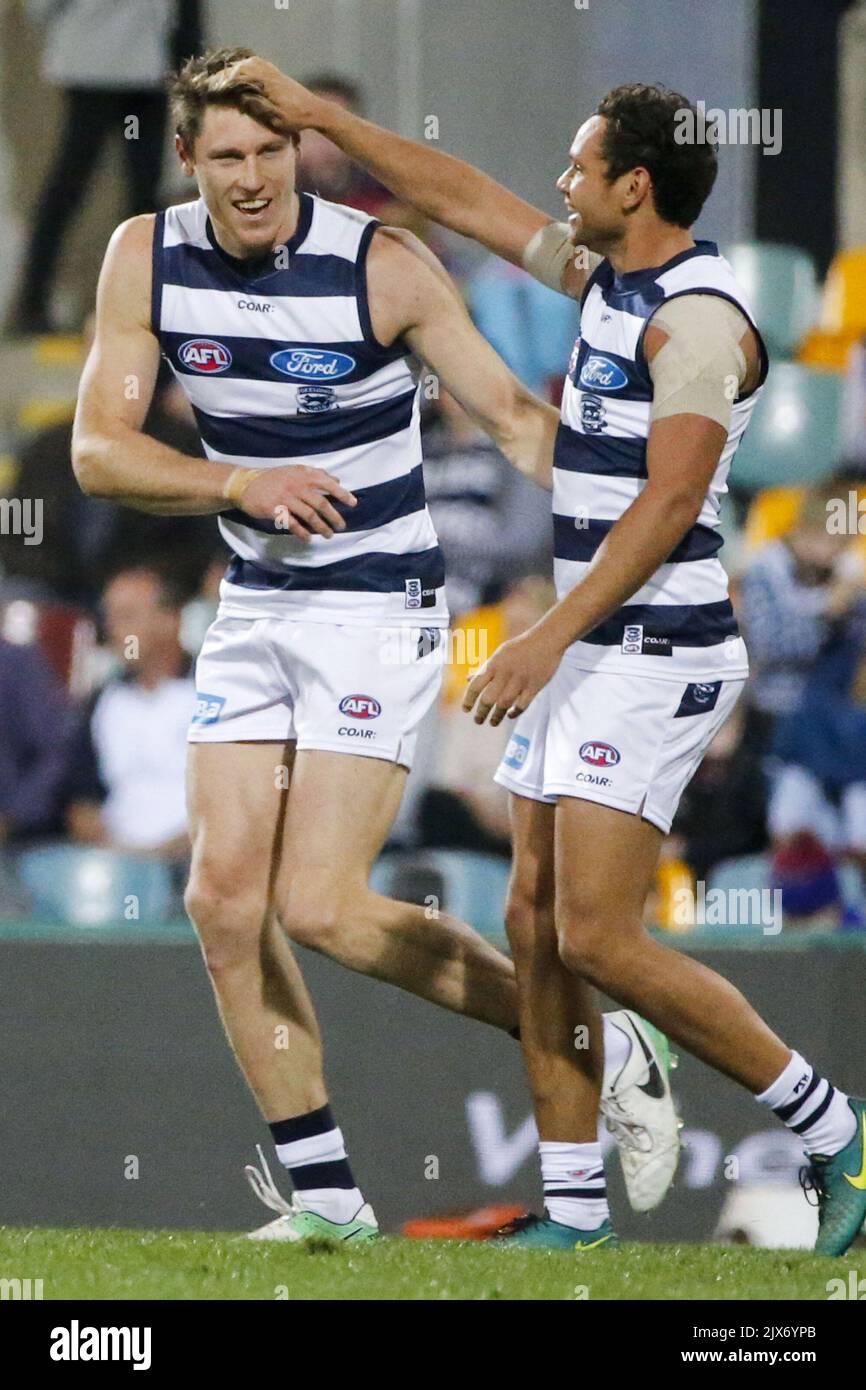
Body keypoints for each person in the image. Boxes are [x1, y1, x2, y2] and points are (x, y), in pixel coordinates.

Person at [71, 48, 678, 1244]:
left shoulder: (381, 267)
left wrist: (657, 517)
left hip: (377, 606)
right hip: (255, 603)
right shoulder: (142, 255)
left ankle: (593, 1039)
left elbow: (510, 420)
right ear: (187, 159)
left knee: (323, 908)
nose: (253, 178)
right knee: (219, 899)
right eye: (227, 156)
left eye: (272, 151)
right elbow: (98, 450)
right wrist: (238, 481)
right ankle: (332, 1206)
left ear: (299, 151)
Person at [256, 66, 866, 1255]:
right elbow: (468, 197)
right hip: (600, 646)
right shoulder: (605, 276)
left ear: (632, 187)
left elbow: (673, 499)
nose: (558, 183)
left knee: (594, 935)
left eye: (579, 167)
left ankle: (836, 1130)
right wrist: (331, 125)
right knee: (532, 921)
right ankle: (574, 1213)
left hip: (652, 646)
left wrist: (547, 634)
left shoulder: (692, 319)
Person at [11, 0, 203, 335]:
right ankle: (32, 303)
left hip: (148, 68)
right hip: (94, 70)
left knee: (142, 193)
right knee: (71, 185)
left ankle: (148, 302)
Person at [64, 566, 195, 860]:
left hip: (198, 864)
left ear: (170, 620)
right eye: (109, 617)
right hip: (115, 863)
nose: (112, 628)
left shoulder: (216, 692)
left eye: (126, 616)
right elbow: (82, 798)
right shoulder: (103, 701)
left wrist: (175, 851)